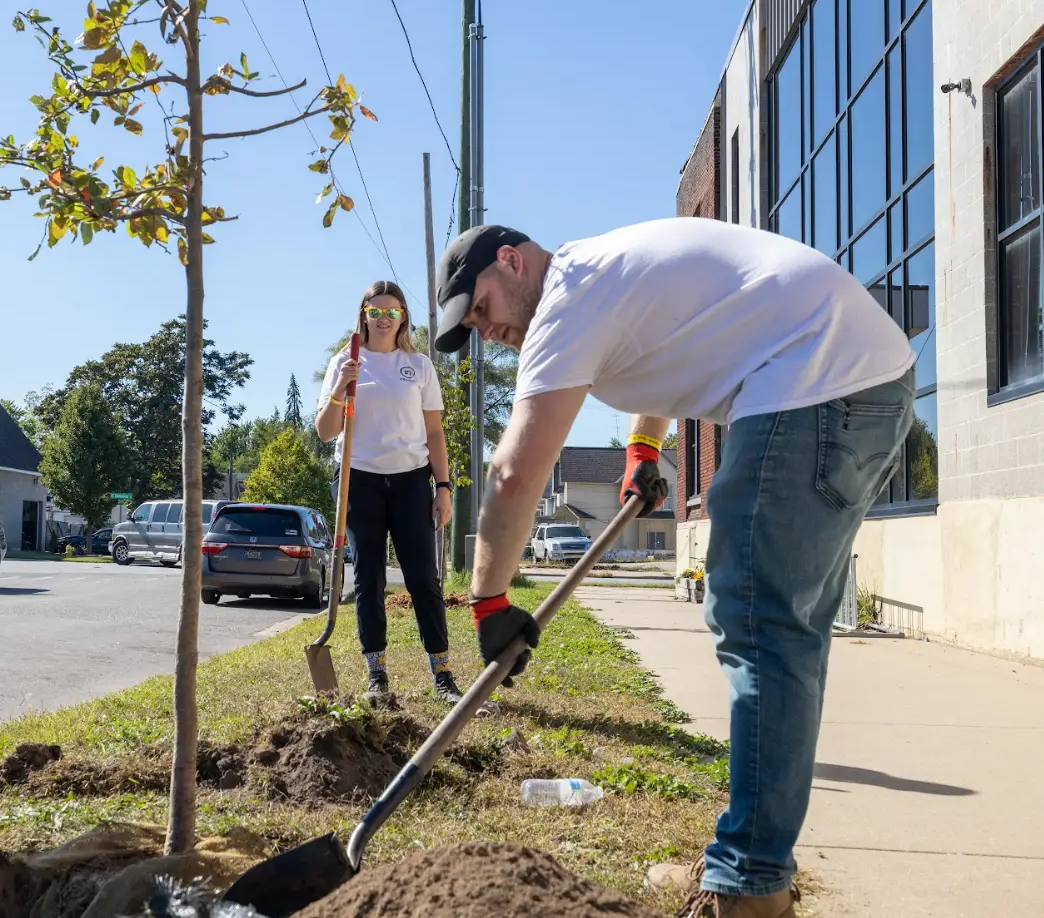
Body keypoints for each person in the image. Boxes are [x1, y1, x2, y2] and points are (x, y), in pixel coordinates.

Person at [434, 218, 915, 918]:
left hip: (818, 379)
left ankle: (749, 884)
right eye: (474, 327)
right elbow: (659, 351)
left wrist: (488, 605)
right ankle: (751, 865)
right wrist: (640, 449)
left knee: (759, 621)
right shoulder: (598, 279)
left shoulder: (565, 299)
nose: (489, 331)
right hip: (858, 380)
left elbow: (512, 475)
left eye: (482, 308)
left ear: (509, 260)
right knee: (781, 631)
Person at [315, 281, 461, 702]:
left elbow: (434, 432)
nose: (383, 319)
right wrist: (342, 388)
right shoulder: (344, 362)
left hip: (411, 481)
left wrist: (444, 487)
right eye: (375, 311)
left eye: (392, 311)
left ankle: (443, 675)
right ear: (363, 314)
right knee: (368, 579)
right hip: (358, 481)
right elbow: (326, 433)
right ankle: (377, 676)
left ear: (403, 317)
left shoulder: (418, 366)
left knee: (423, 579)